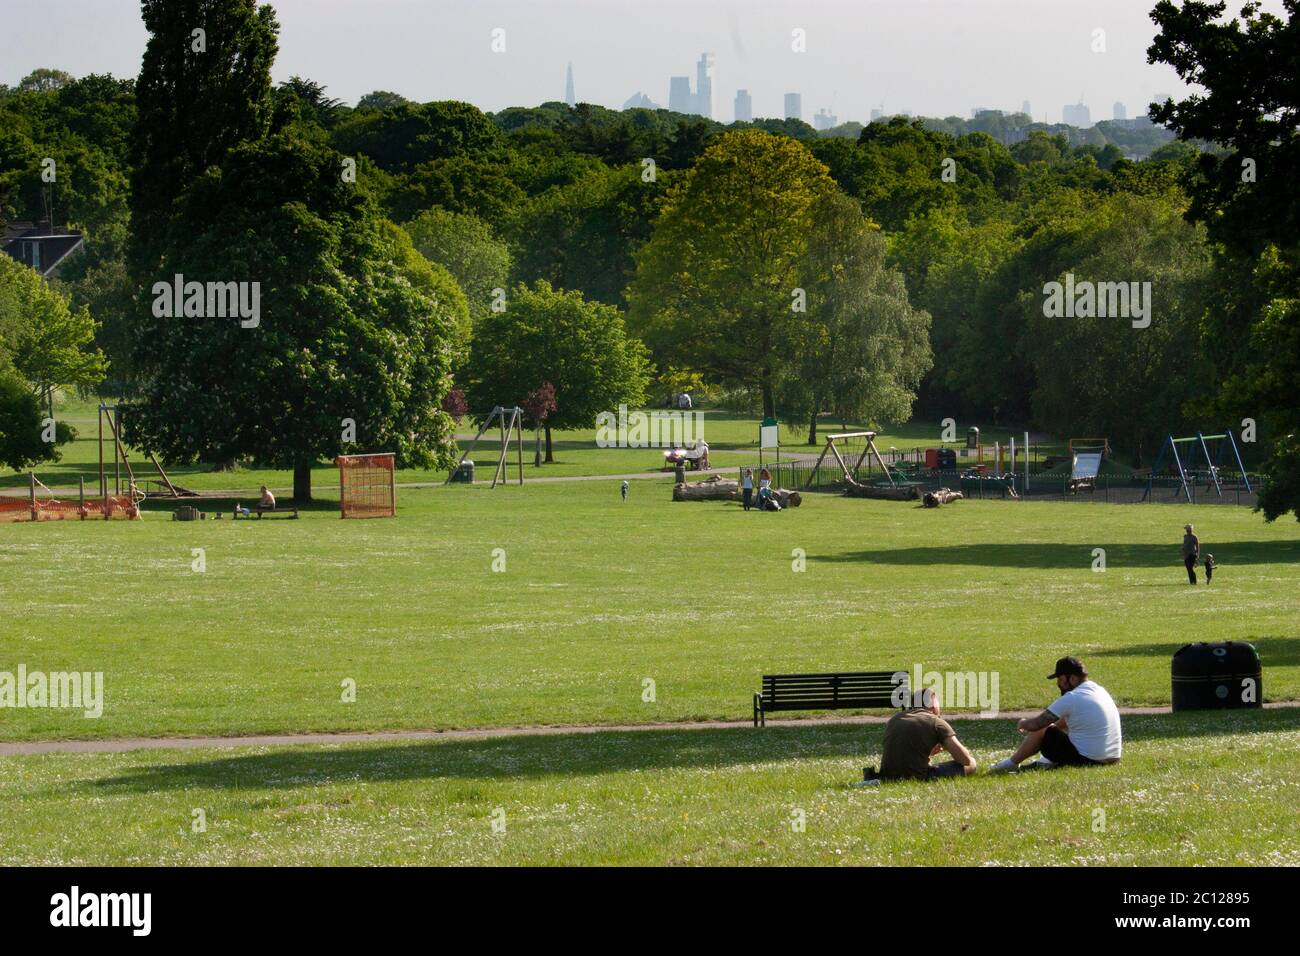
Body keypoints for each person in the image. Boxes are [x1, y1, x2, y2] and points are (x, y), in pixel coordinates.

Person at [990, 657, 1122, 772]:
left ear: (1072, 678)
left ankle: (1010, 764)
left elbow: (1037, 724)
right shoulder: (1099, 690)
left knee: (1044, 728)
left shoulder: (1072, 697)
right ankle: (1044, 762)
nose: (1058, 683)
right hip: (1113, 759)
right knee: (1052, 727)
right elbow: (1068, 722)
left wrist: (1023, 722)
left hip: (1088, 760)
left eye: (1060, 678)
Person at [866, 688, 977, 783]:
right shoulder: (936, 722)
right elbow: (965, 760)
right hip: (917, 777)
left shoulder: (895, 719)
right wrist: (948, 748)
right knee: (972, 763)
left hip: (887, 777)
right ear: (932, 705)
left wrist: (929, 753)